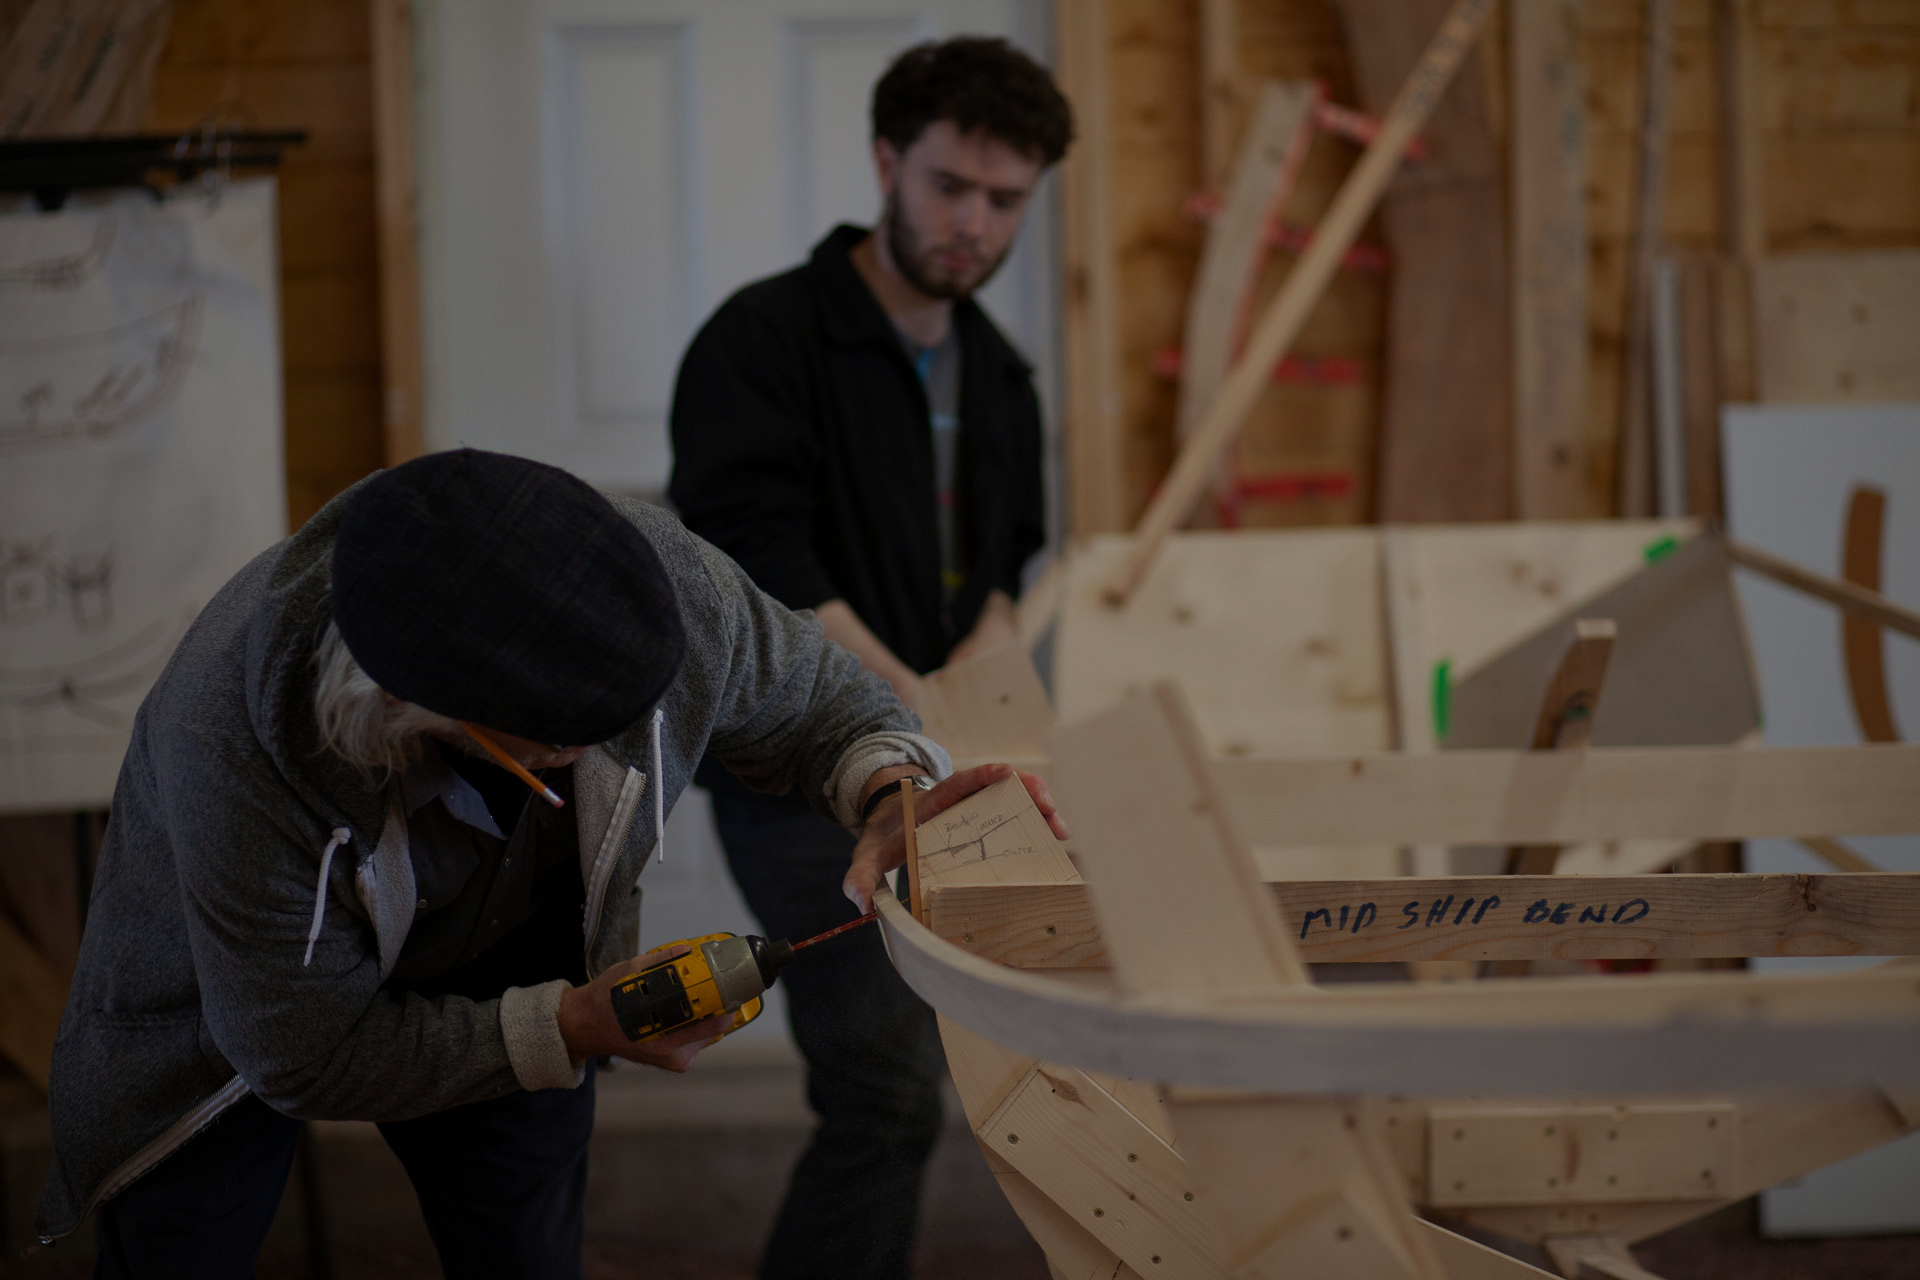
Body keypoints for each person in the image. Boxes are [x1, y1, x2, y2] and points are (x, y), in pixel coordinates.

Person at [34, 449, 1067, 1279]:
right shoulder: (240, 736)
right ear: (415, 711)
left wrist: (894, 792)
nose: (619, 747)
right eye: (567, 741)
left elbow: (816, 697)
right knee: (185, 1240)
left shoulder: (655, 586)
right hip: (237, 1007)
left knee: (523, 1246)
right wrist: (573, 1023)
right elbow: (298, 1050)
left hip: (511, 943)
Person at [667, 35, 1073, 1280]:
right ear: (887, 160)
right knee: (890, 1090)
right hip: (799, 770)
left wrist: (989, 673)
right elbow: (750, 556)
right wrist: (906, 693)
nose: (973, 224)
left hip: (945, 751)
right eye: (950, 185)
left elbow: (1011, 563)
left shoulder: (1002, 375)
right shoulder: (761, 340)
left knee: (992, 1066)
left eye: (1005, 200)